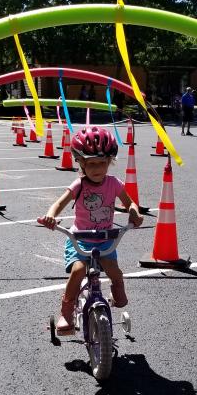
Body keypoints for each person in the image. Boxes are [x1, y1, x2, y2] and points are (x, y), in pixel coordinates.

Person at [39, 127, 143, 335]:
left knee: (114, 270)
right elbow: (59, 203)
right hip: (80, 239)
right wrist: (51, 215)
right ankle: (66, 313)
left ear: (109, 162)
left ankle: (118, 292)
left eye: (102, 163)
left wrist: (134, 213)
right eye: (91, 164)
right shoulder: (79, 184)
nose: (97, 169)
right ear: (82, 164)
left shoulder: (113, 183)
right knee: (78, 270)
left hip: (105, 239)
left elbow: (130, 203)